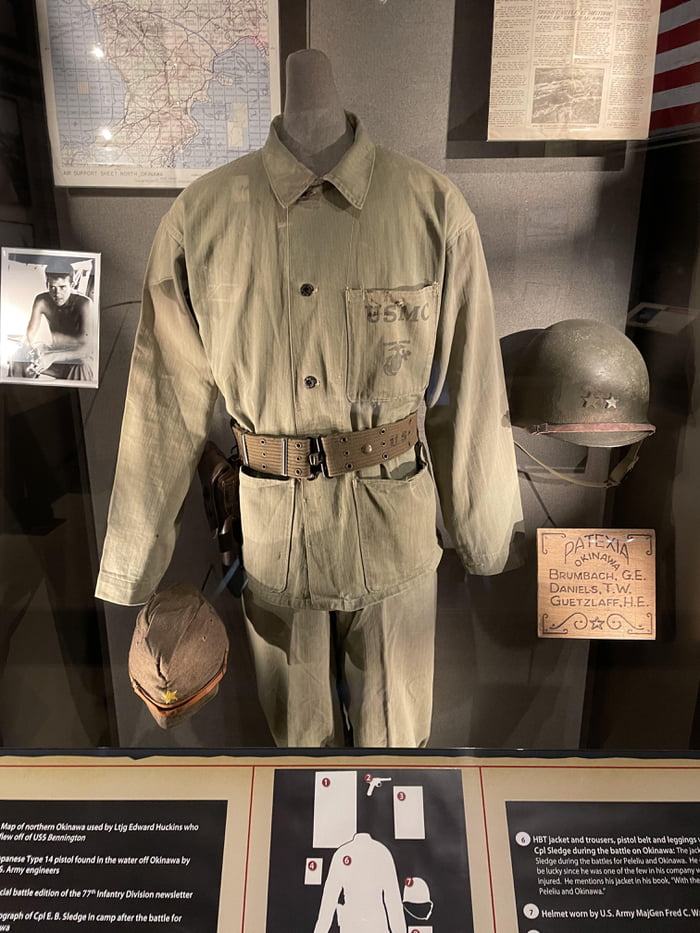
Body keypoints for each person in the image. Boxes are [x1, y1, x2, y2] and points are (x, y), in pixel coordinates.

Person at [10, 258, 95, 381]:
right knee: (18, 356)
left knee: (82, 364)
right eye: (52, 287)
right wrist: (34, 349)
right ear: (47, 285)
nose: (57, 293)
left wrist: (52, 357)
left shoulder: (85, 304)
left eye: (62, 287)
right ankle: (22, 392)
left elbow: (87, 349)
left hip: (77, 356)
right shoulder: (41, 300)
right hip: (55, 352)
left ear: (72, 285)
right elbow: (29, 337)